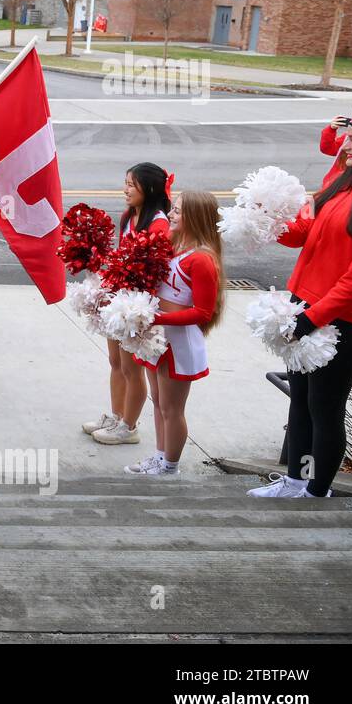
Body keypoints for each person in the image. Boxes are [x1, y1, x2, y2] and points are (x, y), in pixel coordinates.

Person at [256, 126, 352, 498]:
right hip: (302, 305)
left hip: (340, 319)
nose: (345, 145)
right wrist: (267, 217)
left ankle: (317, 491)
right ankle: (295, 481)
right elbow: (301, 233)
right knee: (300, 400)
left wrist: (313, 318)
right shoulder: (341, 182)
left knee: (325, 407)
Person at [126, 191, 225, 477]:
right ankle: (160, 456)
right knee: (158, 401)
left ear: (195, 217)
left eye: (178, 211)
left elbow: (203, 313)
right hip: (157, 338)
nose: (171, 214)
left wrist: (157, 317)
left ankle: (170, 465)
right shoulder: (174, 245)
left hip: (177, 341)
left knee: (172, 408)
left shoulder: (203, 260)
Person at [84, 163, 172, 446]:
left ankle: (129, 427)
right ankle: (116, 415)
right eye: (125, 183)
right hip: (118, 301)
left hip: (136, 306)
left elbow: (156, 270)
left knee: (132, 368)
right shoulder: (128, 217)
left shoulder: (159, 223)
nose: (125, 190)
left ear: (147, 189)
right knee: (115, 362)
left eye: (131, 185)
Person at [318, 107, 352, 188]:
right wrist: (331, 129)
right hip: (336, 183)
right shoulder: (346, 139)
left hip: (347, 184)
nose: (345, 147)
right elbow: (328, 148)